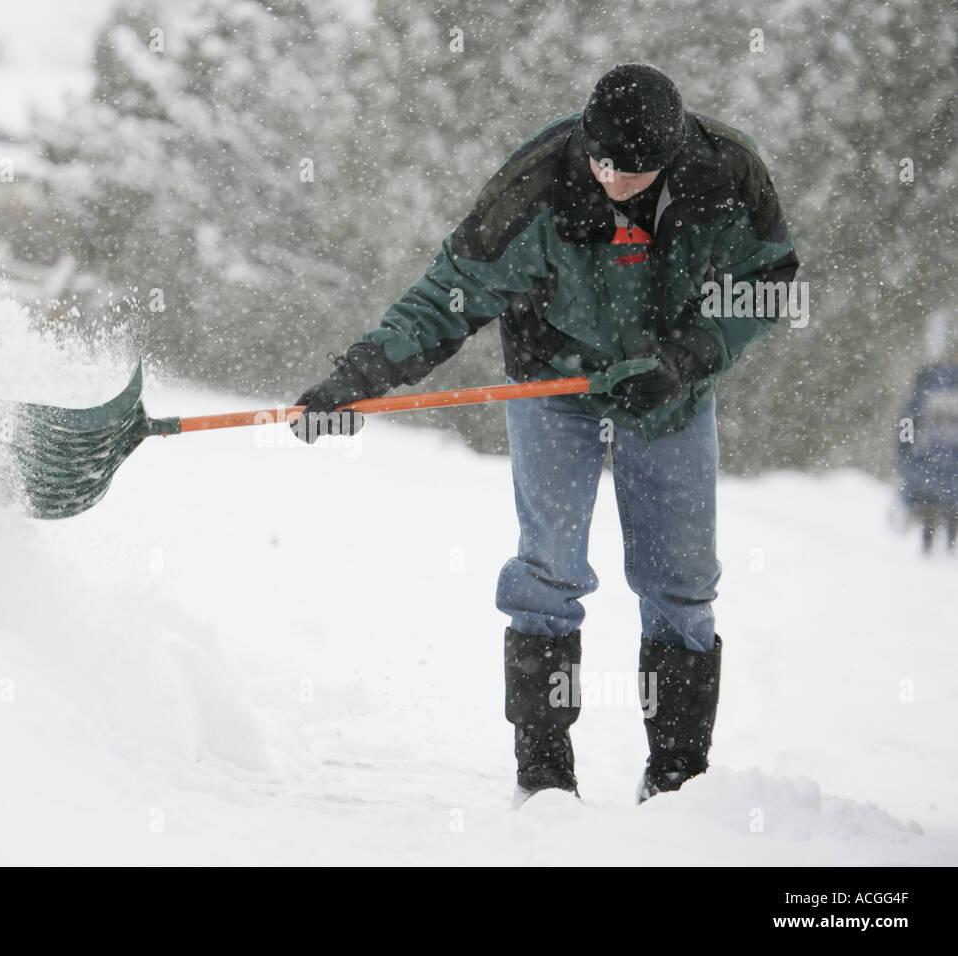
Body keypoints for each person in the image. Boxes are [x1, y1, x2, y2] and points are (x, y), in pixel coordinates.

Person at [290, 64, 799, 805]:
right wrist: (355, 378)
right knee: (549, 571)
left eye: (624, 171)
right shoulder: (537, 188)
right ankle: (544, 776)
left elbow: (770, 279)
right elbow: (445, 295)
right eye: (596, 157)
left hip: (668, 390)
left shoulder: (726, 173)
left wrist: (688, 358)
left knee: (681, 588)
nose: (605, 176)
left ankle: (679, 785)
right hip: (553, 379)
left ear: (668, 158)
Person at [897, 354, 958, 555]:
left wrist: (904, 457)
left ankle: (928, 548)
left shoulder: (927, 385)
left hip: (926, 468)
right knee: (953, 515)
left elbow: (907, 425)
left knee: (929, 512)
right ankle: (950, 550)